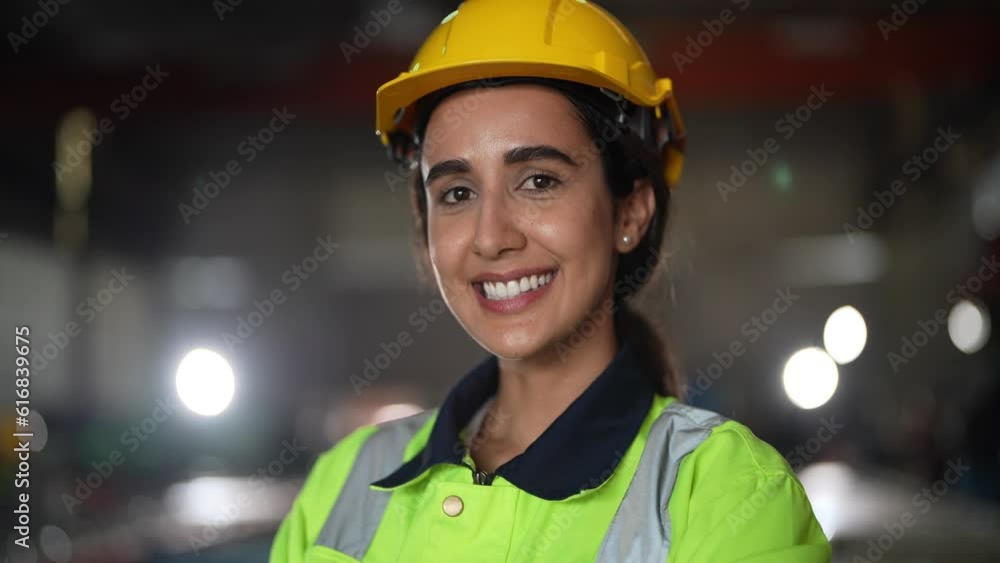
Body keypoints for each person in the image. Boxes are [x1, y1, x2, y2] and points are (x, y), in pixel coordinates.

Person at [270, 0, 831, 561]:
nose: (491, 237)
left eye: (539, 181)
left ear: (630, 212)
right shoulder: (344, 483)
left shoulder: (725, 493)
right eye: (457, 193)